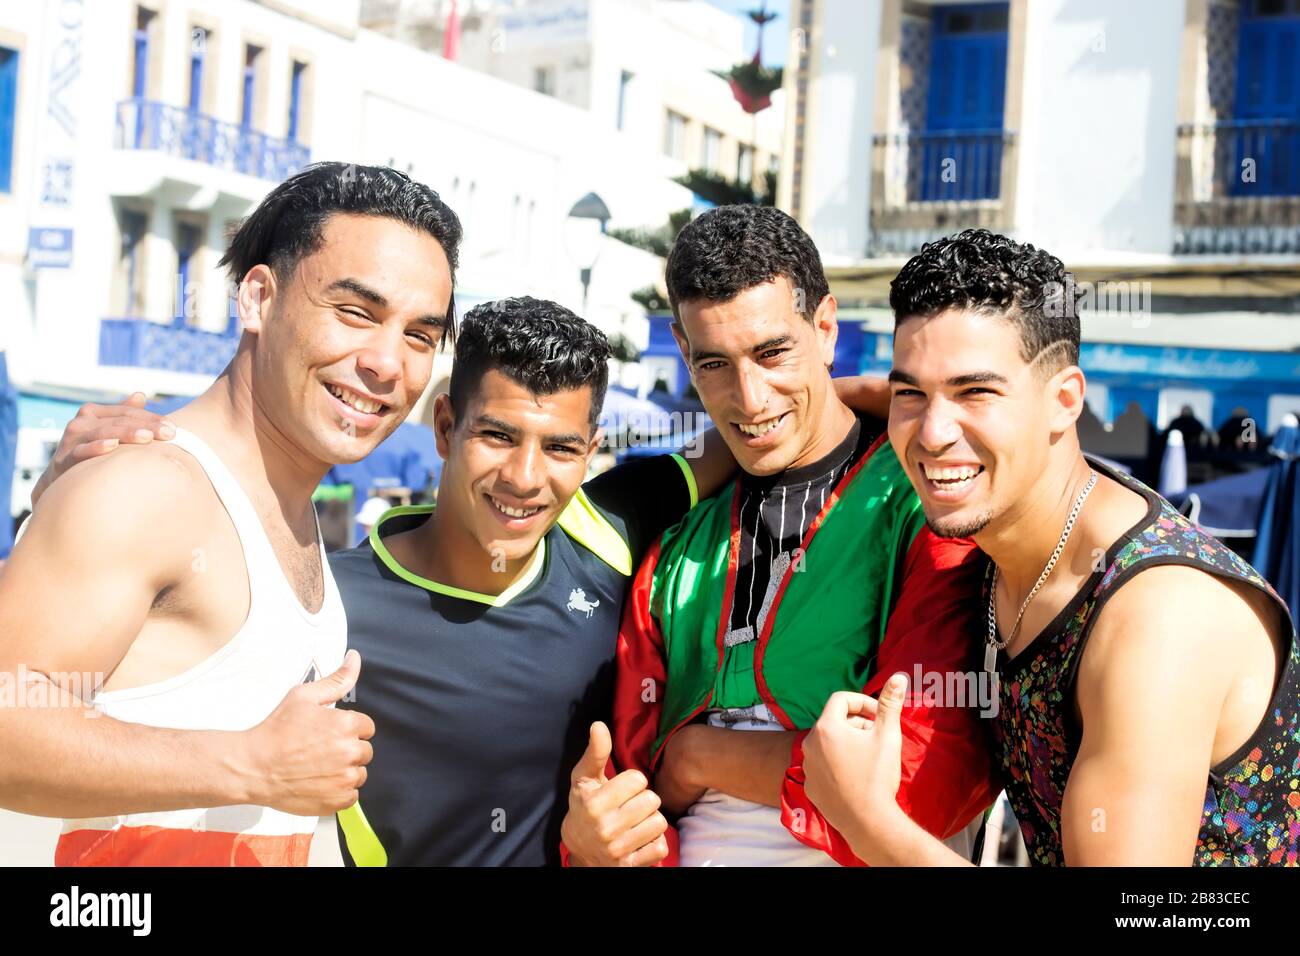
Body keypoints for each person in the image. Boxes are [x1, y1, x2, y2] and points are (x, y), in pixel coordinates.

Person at [36, 296, 893, 866]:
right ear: (444, 423)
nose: (527, 477)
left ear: (590, 451)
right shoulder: (324, 605)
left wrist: (909, 401)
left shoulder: (607, 527)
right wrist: (87, 480)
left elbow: (758, 432)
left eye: (561, 448)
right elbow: (68, 675)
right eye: (496, 436)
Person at [0, 161, 461, 865]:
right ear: (257, 298)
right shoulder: (150, 487)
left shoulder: (288, 508)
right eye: (355, 312)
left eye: (420, 335)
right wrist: (248, 763)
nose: (387, 363)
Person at [800, 228, 1298, 866]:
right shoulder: (1019, 520)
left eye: (975, 391)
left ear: (1065, 401)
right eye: (911, 394)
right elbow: (856, 402)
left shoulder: (1157, 619)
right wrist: (743, 430)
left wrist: (864, 819)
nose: (932, 432)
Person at [561, 206, 996, 867]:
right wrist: (596, 834)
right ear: (683, 352)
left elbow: (921, 777)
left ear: (825, 328)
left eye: (772, 353)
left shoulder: (925, 503)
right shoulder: (676, 546)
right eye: (714, 364)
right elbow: (625, 784)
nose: (750, 398)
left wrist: (697, 754)